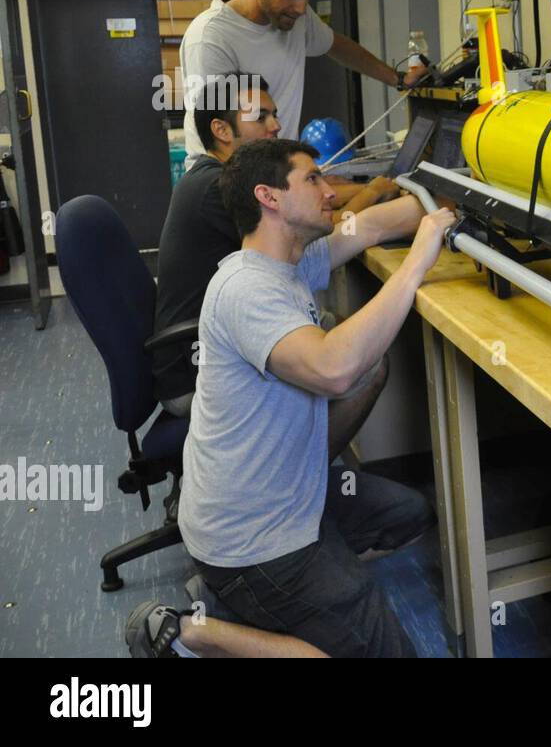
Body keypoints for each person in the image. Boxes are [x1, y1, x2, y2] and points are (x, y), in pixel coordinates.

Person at [176, 138, 456, 657]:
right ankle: (201, 631)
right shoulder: (244, 288)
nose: (331, 192)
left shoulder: (294, 262)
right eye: (312, 180)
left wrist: (458, 198)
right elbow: (333, 369)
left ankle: (272, 603)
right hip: (252, 538)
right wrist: (418, 261)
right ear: (269, 197)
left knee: (409, 513)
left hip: (292, 495)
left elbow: (372, 224)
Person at [153, 79, 399, 416]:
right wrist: (370, 193)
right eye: (262, 117)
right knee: (363, 361)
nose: (276, 125)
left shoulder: (211, 177)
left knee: (350, 332)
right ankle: (304, 467)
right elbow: (320, 223)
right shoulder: (215, 189)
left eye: (275, 115)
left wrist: (359, 191)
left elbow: (311, 204)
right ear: (222, 130)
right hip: (194, 368)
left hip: (219, 338)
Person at [179, 0, 427, 169]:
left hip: (273, 169)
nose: (300, 8)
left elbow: (336, 45)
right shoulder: (210, 38)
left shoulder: (297, 18)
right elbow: (218, 134)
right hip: (227, 177)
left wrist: (398, 79)